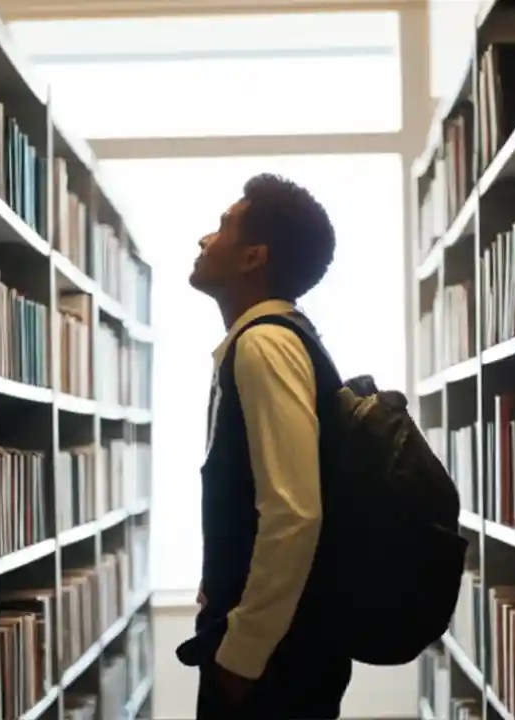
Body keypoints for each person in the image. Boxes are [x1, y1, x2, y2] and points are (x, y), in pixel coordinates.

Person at [175, 173, 349, 719]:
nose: (204, 240)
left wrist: (241, 656)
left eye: (222, 227)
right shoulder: (271, 338)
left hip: (273, 663)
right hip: (278, 648)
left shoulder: (265, 345)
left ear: (254, 257)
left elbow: (294, 513)